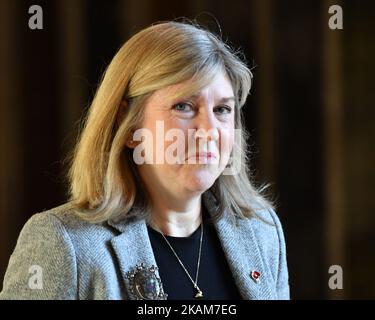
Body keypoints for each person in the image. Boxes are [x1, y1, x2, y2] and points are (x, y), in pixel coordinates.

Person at [0, 20, 290, 300]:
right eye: (184, 106)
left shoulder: (262, 232)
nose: (209, 131)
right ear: (128, 126)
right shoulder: (64, 244)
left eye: (223, 109)